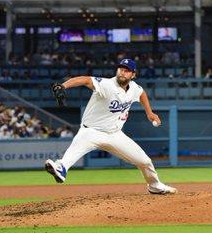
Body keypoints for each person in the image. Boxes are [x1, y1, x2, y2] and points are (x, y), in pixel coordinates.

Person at [43, 58, 176, 194]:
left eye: (126, 71)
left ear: (133, 75)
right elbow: (85, 80)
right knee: (69, 157)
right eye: (120, 69)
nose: (122, 73)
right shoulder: (107, 84)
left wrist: (149, 113)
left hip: (115, 135)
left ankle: (154, 186)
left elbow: (141, 93)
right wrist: (63, 86)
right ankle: (60, 168)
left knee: (145, 161)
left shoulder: (134, 88)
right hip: (91, 132)